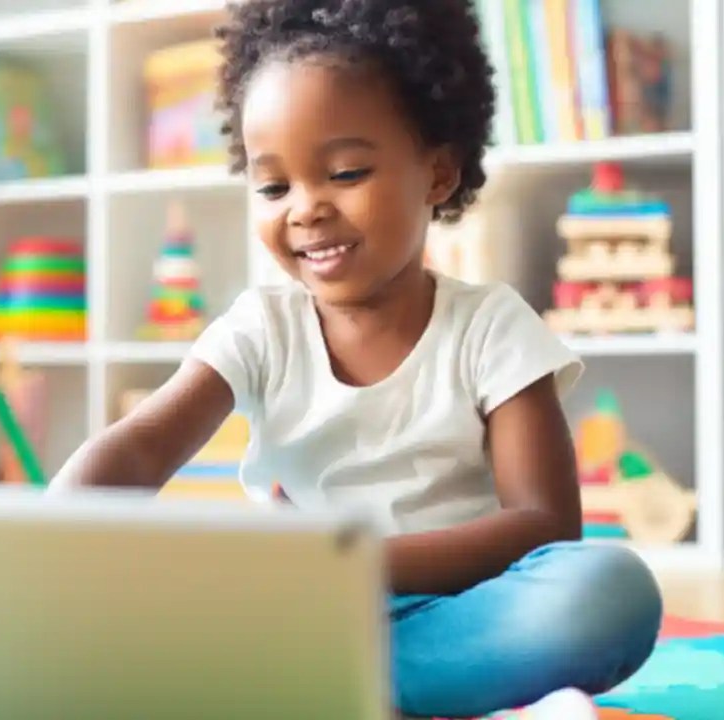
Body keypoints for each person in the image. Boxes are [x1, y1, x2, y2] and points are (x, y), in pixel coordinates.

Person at [49, 0, 663, 716]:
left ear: (436, 174)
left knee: (609, 591)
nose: (305, 208)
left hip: (466, 616)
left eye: (344, 173)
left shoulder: (491, 327)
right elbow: (141, 448)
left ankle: (322, 691)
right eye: (273, 185)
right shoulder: (260, 327)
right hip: (301, 621)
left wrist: (352, 564)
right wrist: (48, 545)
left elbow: (545, 526)